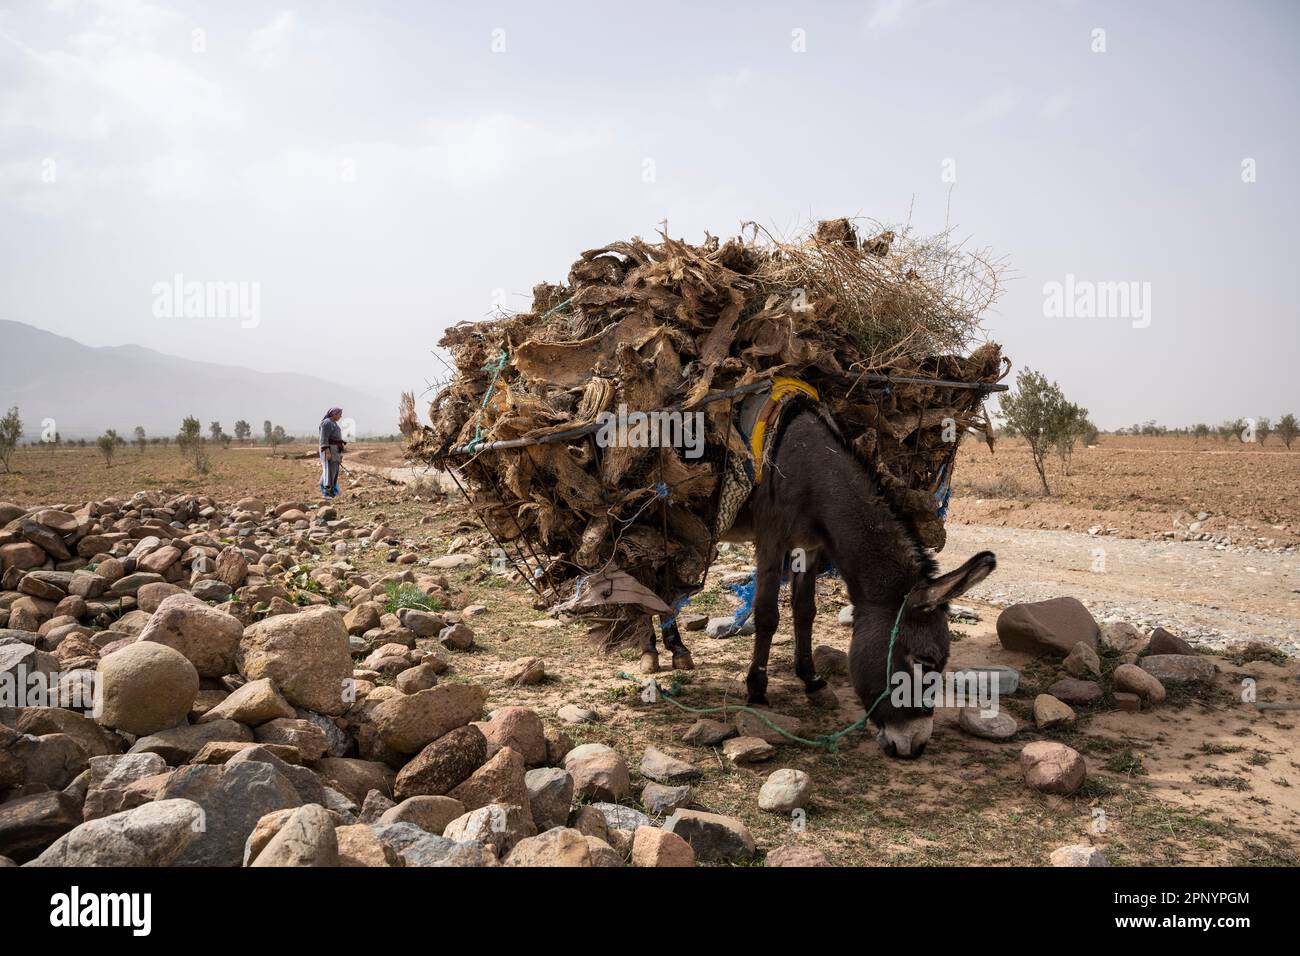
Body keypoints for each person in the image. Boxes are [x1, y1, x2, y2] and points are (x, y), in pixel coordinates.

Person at [319, 407, 346, 497]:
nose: (340, 416)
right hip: (329, 449)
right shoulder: (327, 423)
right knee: (328, 470)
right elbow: (324, 438)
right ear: (333, 414)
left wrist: (340, 453)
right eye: (339, 414)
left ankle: (331, 490)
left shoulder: (334, 423)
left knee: (334, 470)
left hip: (335, 449)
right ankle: (326, 491)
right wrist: (327, 451)